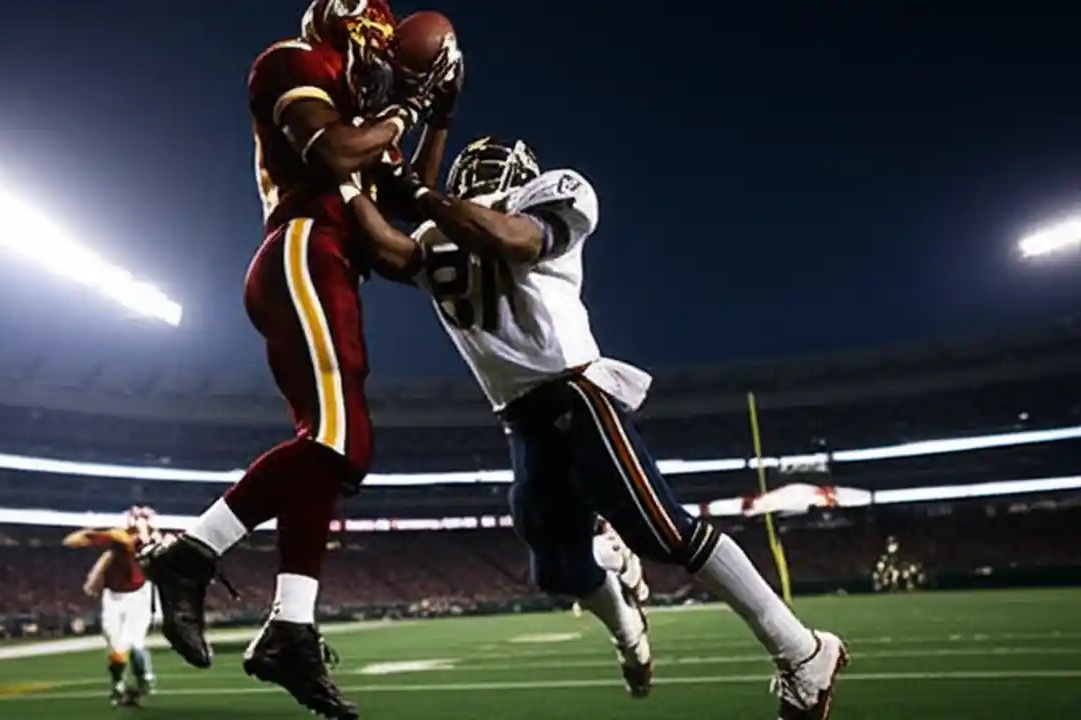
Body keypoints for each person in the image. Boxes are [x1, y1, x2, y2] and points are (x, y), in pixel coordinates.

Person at [340, 137, 849, 717]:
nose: (481, 176)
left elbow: (513, 239)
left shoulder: (555, 194)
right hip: (521, 421)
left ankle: (804, 650)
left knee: (665, 532)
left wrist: (420, 194)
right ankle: (618, 597)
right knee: (557, 569)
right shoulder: (438, 231)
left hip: (577, 394)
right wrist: (346, 184)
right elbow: (388, 250)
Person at [140, 2, 461, 718]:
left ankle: (291, 626)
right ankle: (190, 552)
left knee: (324, 451)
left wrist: (438, 114)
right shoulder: (295, 63)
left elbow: (405, 218)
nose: (384, 62)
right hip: (301, 248)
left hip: (335, 266)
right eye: (377, 46)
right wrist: (407, 110)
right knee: (344, 441)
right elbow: (330, 152)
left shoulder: (366, 115)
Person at [63, 506, 162, 707]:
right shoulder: (120, 538)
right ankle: (118, 683)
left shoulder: (152, 540)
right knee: (117, 648)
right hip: (114, 596)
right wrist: (89, 533)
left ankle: (144, 678)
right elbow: (73, 541)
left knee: (134, 642)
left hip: (139, 596)